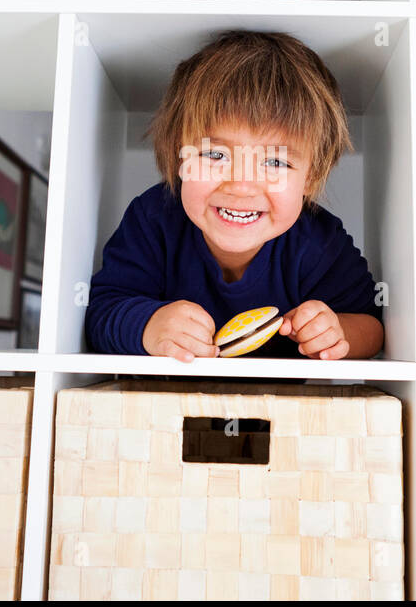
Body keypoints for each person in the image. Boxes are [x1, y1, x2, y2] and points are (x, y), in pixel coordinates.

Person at [85, 29, 385, 361]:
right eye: (215, 156)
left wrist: (336, 333)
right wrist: (149, 326)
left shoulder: (320, 241)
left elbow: (373, 326)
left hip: (285, 409)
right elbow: (100, 313)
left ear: (310, 178)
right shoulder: (153, 220)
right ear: (179, 158)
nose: (241, 186)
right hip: (166, 403)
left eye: (274, 161)